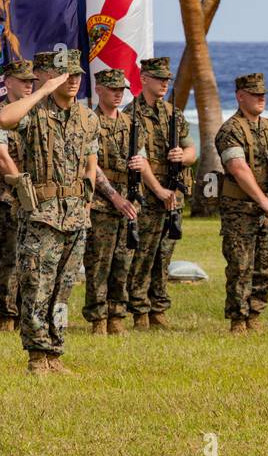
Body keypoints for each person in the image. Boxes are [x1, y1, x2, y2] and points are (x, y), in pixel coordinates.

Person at [0, 49, 98, 375]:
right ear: (45, 76)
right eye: (65, 74)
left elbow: (90, 163)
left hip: (75, 214)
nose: (73, 80)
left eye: (77, 74)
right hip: (42, 214)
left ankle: (56, 351)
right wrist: (43, 91)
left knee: (63, 292)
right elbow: (2, 119)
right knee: (37, 285)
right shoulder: (34, 112)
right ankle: (37, 356)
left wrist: (88, 204)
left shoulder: (87, 117)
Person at [216, 73, 268, 334]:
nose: (261, 98)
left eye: (263, 94)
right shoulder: (231, 130)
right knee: (240, 265)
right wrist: (263, 201)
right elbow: (238, 168)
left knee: (266, 265)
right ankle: (238, 319)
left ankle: (255, 314)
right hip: (241, 209)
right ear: (240, 96)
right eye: (255, 94)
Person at [125, 57, 196, 331]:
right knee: (142, 255)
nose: (164, 83)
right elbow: (138, 159)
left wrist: (184, 156)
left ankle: (158, 309)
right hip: (148, 195)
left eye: (167, 79)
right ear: (144, 79)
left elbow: (192, 150)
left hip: (173, 195)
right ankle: (140, 310)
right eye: (159, 78)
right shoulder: (132, 114)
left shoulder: (173, 114)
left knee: (164, 254)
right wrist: (159, 190)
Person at [83, 68, 139, 335]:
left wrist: (142, 165)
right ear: (99, 89)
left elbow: (141, 158)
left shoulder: (129, 123)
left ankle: (117, 315)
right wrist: (114, 196)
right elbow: (91, 166)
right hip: (101, 204)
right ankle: (98, 318)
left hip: (128, 202)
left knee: (123, 262)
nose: (118, 94)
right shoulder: (89, 121)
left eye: (121, 90)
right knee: (99, 263)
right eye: (113, 89)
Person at [0, 58, 35, 331]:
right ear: (8, 83)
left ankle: (27, 313)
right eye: (23, 80)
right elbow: (2, 158)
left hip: (37, 199)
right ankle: (7, 317)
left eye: (31, 81)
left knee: (32, 260)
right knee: (10, 258)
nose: (28, 85)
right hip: (9, 198)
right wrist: (23, 188)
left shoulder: (37, 114)